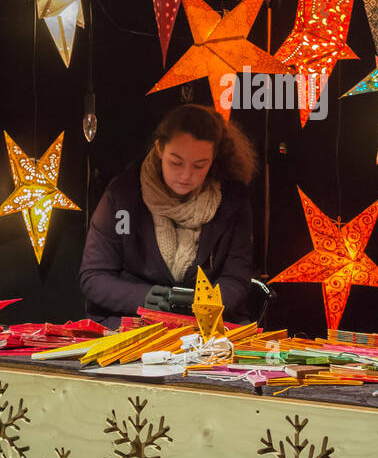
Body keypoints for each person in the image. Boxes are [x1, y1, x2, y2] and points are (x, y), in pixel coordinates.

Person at [79, 104, 257, 329]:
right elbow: (94, 276)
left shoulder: (233, 200)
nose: (185, 175)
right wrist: (143, 297)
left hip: (206, 329)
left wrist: (204, 304)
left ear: (213, 159)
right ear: (160, 148)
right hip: (132, 326)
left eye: (199, 165)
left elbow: (237, 279)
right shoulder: (123, 195)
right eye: (176, 162)